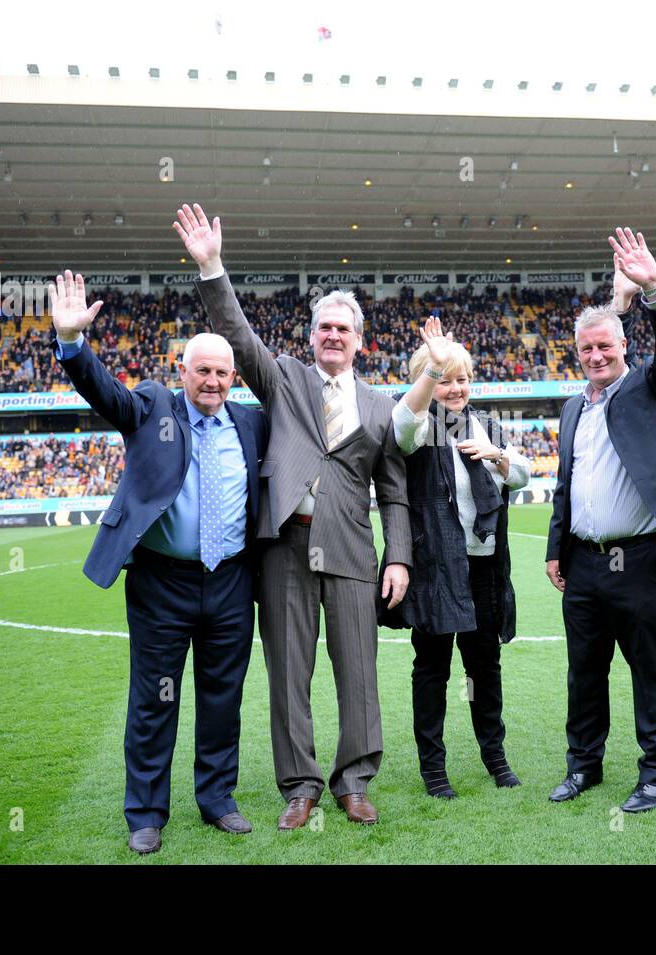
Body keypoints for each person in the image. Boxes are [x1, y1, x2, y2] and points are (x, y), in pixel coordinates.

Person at [175, 204, 412, 830]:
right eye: (324, 328)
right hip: (284, 547)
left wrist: (400, 557)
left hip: (355, 552)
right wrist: (211, 266)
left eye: (343, 329)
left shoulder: (383, 407)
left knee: (358, 670)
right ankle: (300, 786)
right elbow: (238, 334)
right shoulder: (282, 380)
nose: (332, 336)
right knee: (289, 675)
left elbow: (394, 492)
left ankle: (354, 781)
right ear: (311, 337)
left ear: (359, 340)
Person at [50, 270, 268, 855]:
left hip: (230, 583)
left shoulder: (251, 422)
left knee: (223, 698)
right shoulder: (151, 406)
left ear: (234, 378)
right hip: (161, 584)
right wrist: (73, 343)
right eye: (204, 370)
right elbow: (106, 393)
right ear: (183, 373)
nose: (214, 381)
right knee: (155, 697)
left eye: (224, 372)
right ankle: (146, 812)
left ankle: (218, 798)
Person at [545, 229, 656, 814]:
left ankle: (655, 773)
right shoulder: (572, 408)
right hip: (586, 564)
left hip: (643, 560)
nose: (597, 356)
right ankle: (582, 766)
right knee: (583, 674)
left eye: (606, 347)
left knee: (653, 672)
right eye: (587, 349)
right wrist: (554, 549)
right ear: (578, 352)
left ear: (623, 346)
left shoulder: (648, 386)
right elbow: (566, 485)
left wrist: (654, 290)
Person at [385, 316, 530, 799]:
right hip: (435, 569)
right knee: (433, 671)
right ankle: (434, 768)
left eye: (461, 378)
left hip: (484, 567)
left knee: (484, 669)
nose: (454, 388)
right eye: (444, 379)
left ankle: (496, 757)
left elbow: (522, 476)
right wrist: (434, 367)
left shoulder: (486, 424)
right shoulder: (416, 423)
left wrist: (498, 455)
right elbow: (403, 429)